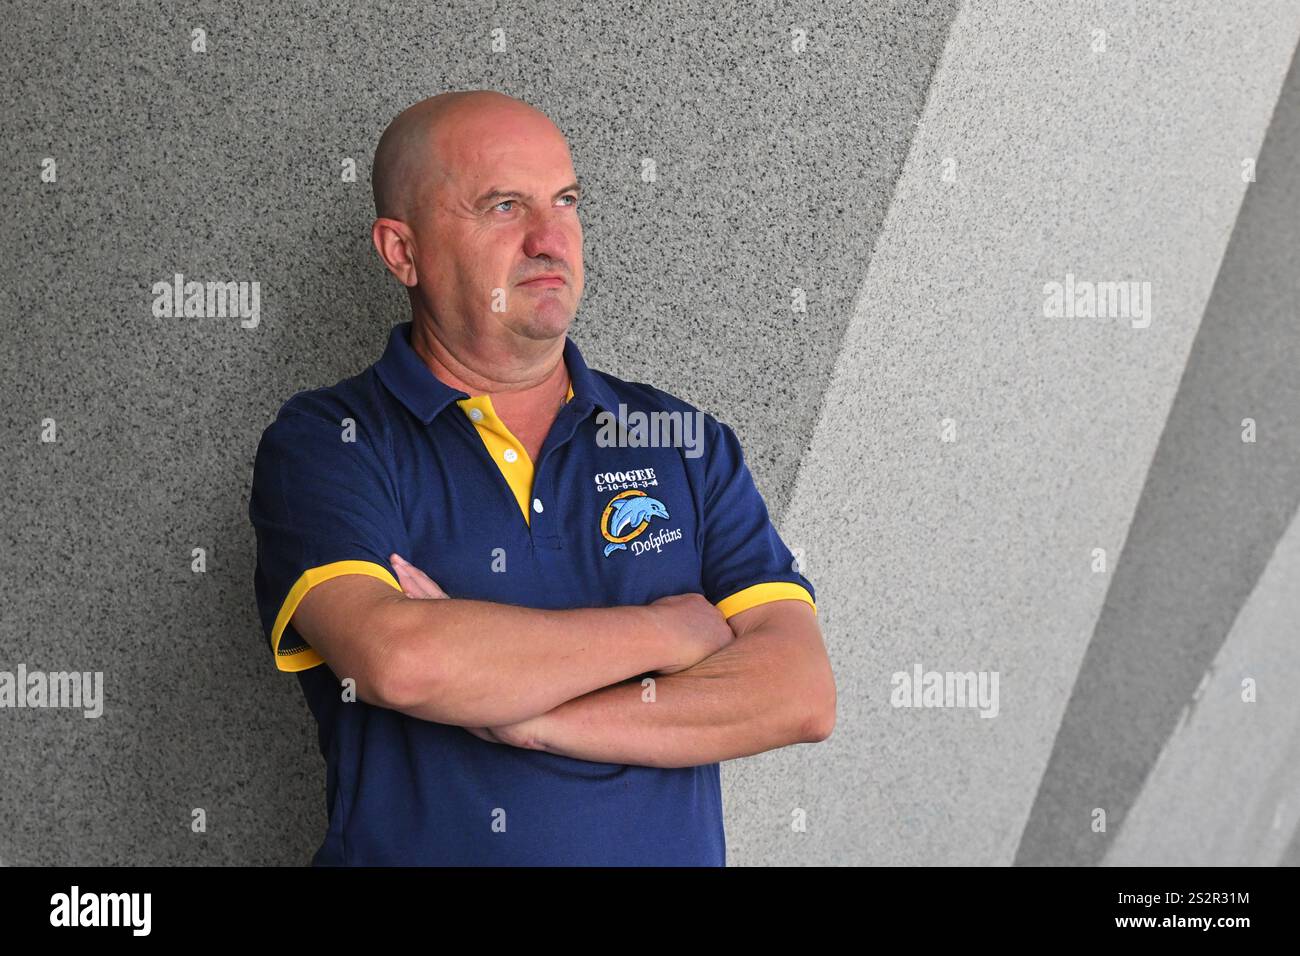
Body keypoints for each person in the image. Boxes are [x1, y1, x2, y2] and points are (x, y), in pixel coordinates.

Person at [248, 90, 836, 866]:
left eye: (565, 201)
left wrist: (529, 719)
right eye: (502, 207)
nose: (548, 238)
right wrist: (669, 629)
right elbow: (402, 661)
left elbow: (797, 694)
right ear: (402, 252)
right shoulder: (332, 441)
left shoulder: (680, 440)